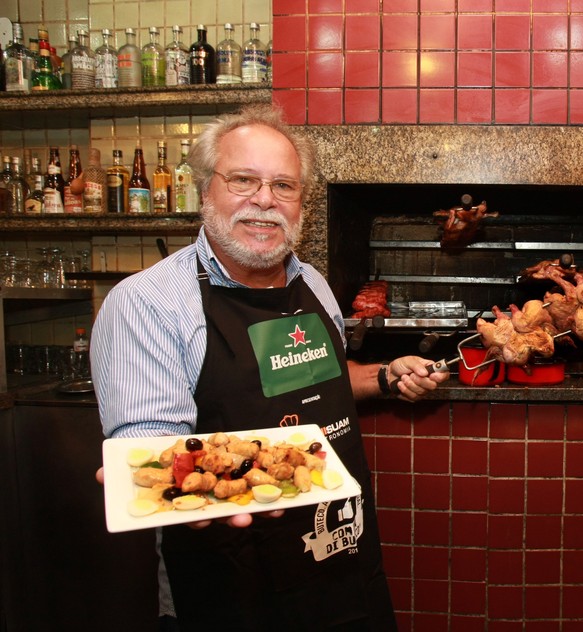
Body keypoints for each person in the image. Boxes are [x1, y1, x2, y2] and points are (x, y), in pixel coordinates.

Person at [91, 104, 449, 631]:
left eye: (283, 185)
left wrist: (384, 376)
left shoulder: (312, 283)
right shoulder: (148, 304)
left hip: (340, 558)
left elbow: (315, 380)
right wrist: (201, 485)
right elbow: (154, 456)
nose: (264, 200)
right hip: (230, 577)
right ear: (204, 190)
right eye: (243, 180)